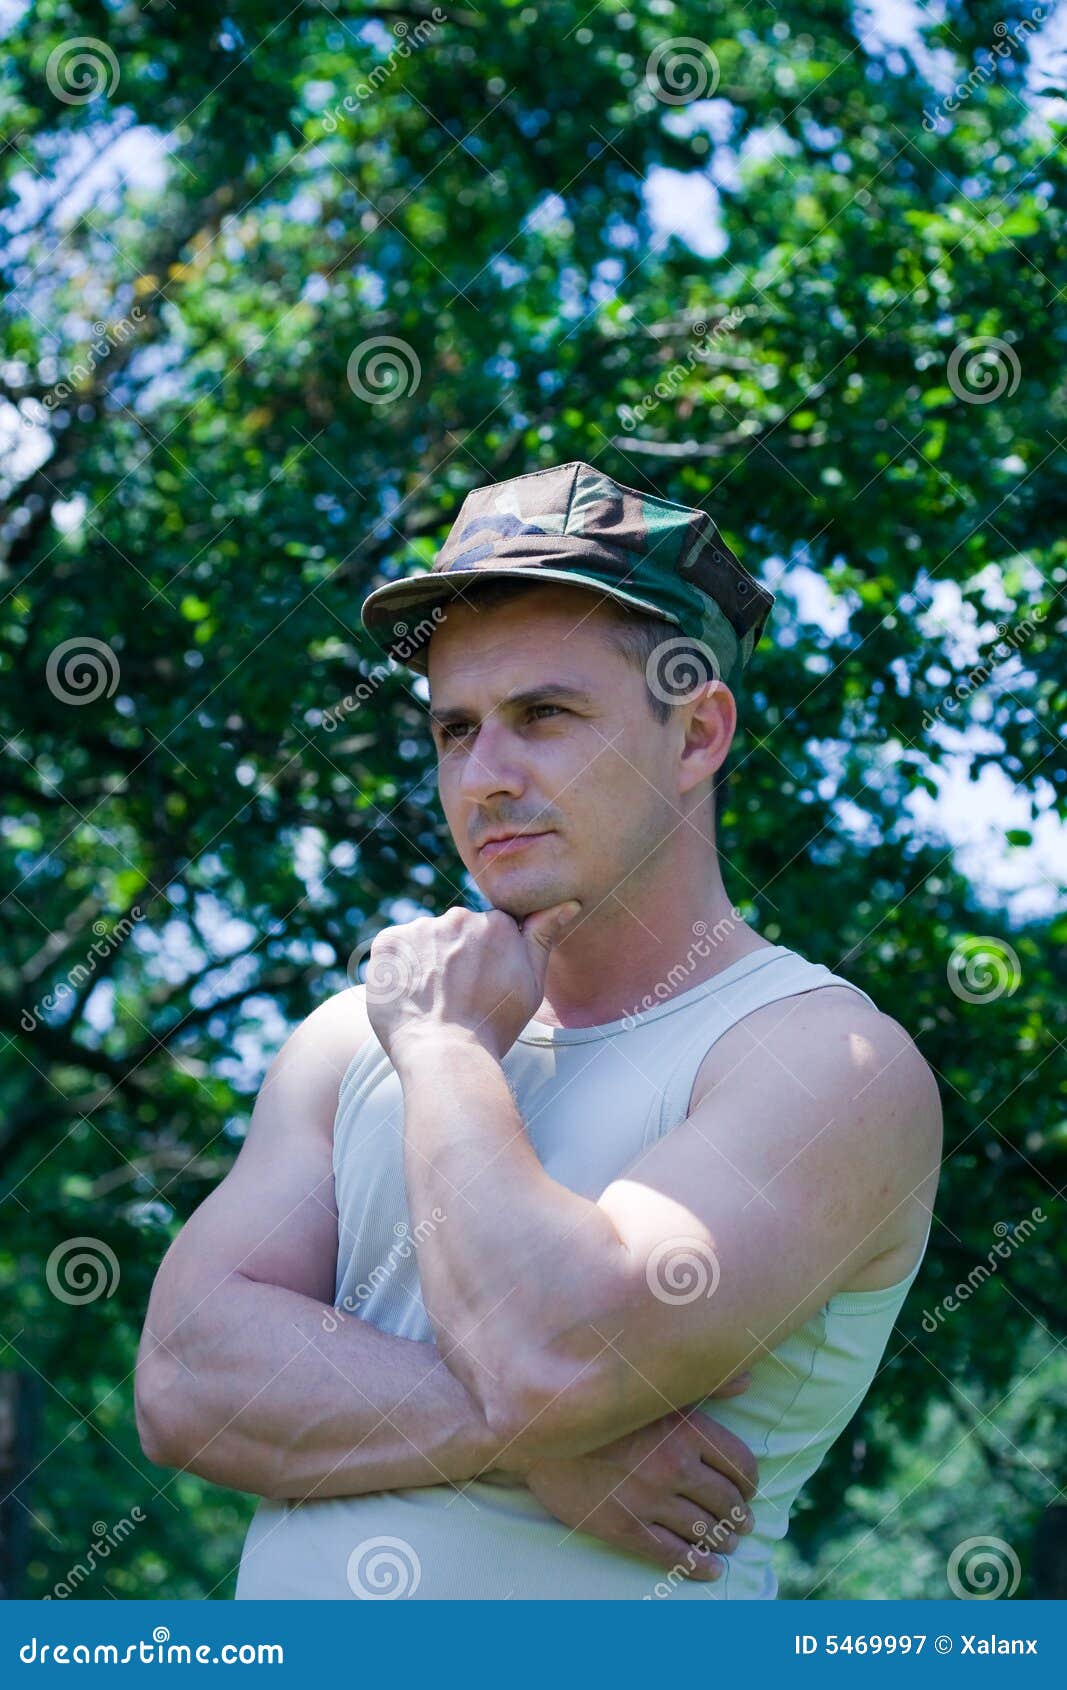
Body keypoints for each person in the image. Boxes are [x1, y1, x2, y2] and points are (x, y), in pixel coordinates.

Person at [136, 462, 941, 1599]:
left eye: (544, 717)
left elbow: (551, 1356)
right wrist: (542, 1447)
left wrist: (449, 1054)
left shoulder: (821, 1061)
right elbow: (181, 1381)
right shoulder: (346, 1037)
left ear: (696, 733)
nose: (486, 776)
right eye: (454, 730)